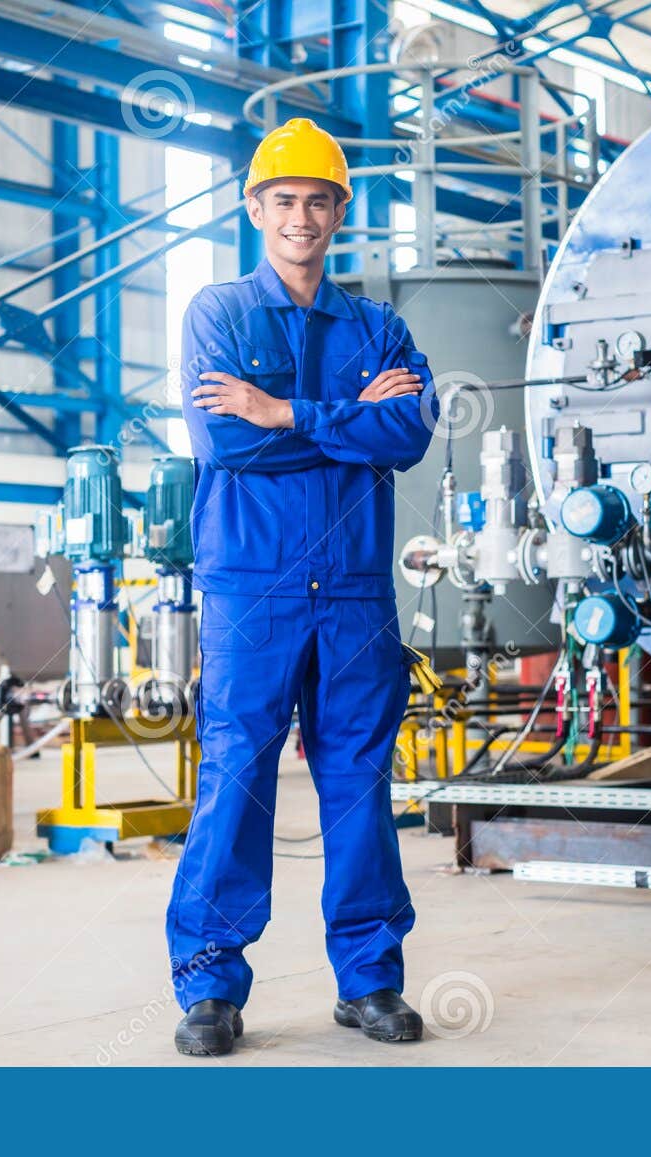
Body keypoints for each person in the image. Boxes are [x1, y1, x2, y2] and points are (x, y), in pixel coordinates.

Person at [165, 118, 440, 1057]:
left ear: (339, 212)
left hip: (356, 594)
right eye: (284, 200)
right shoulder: (218, 314)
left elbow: (407, 435)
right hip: (253, 588)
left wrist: (284, 410)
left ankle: (370, 980)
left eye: (319, 201)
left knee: (359, 785)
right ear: (256, 209)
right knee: (236, 774)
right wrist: (342, 422)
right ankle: (209, 986)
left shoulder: (378, 326)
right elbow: (225, 443)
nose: (301, 217)